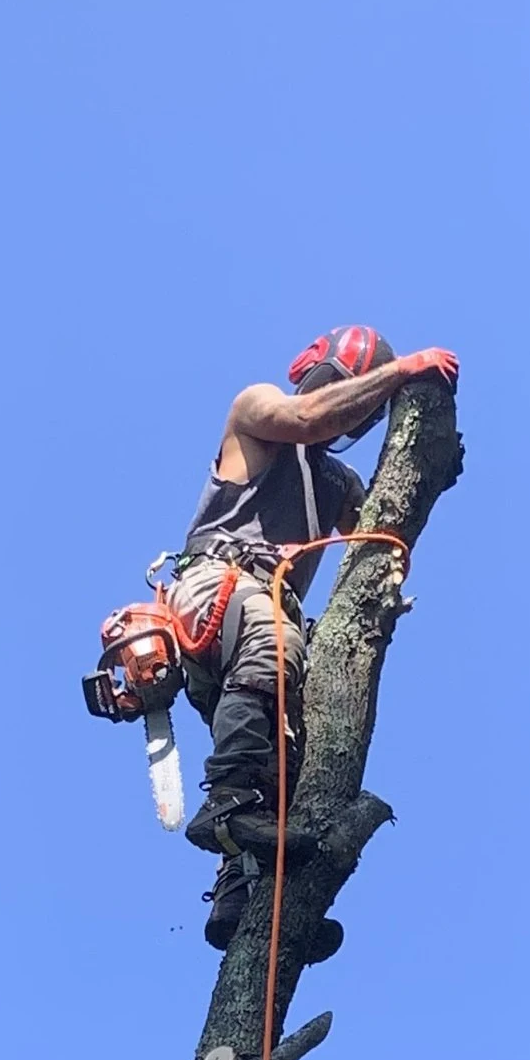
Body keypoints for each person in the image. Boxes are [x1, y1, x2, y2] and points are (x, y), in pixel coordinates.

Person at [167, 326, 459, 949]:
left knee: (293, 752)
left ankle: (245, 893)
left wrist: (424, 483)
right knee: (275, 645)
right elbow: (303, 417)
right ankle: (228, 806)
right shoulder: (258, 408)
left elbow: (377, 536)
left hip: (260, 625)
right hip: (223, 587)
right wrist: (401, 370)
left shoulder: (338, 486)